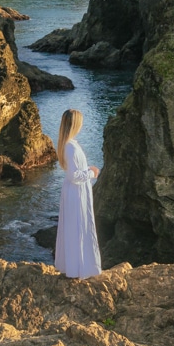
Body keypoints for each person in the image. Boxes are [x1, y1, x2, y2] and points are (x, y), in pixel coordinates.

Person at [54, 108, 102, 278]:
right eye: (79, 123)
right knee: (78, 227)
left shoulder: (69, 144)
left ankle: (76, 266)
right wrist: (92, 173)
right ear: (75, 125)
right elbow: (74, 175)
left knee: (76, 227)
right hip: (76, 193)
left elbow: (74, 170)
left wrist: (87, 169)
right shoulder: (70, 147)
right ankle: (78, 268)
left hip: (75, 191)